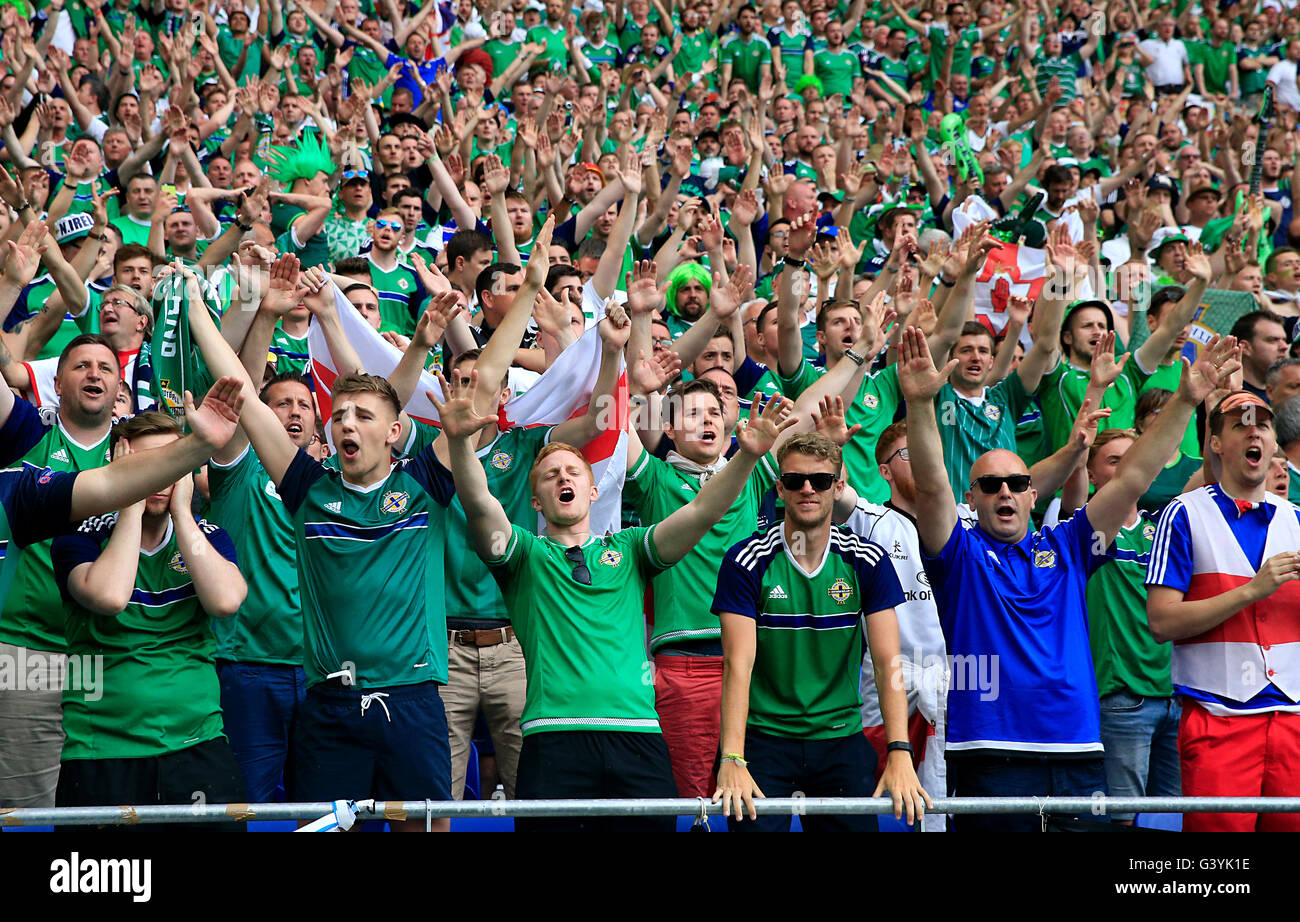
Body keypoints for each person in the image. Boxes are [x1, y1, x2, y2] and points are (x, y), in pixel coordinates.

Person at [899, 324, 1238, 831]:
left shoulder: (1068, 546)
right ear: (972, 498)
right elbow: (929, 486)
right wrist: (922, 405)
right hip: (991, 752)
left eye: (1017, 483)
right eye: (990, 486)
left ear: (1034, 494)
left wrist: (1187, 400)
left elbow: (1131, 478)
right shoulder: (958, 553)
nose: (1005, 493)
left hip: (1078, 748)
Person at [438, 363, 795, 832]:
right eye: (550, 475)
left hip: (638, 736)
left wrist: (745, 458)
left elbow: (704, 510)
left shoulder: (630, 549)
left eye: (573, 471)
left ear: (593, 488)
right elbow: (480, 502)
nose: (563, 477)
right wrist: (461, 444)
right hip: (553, 738)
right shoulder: (523, 555)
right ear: (538, 503)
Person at [711, 431, 929, 831]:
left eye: (821, 481)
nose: (807, 489)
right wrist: (732, 758)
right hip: (764, 740)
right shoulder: (746, 560)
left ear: (839, 486)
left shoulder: (866, 559)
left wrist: (900, 751)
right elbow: (736, 665)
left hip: (840, 737)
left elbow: (886, 662)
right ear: (779, 488)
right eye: (794, 480)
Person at [52, 412, 249, 829]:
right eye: (145, 465)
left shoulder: (206, 536)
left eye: (170, 463)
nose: (159, 477)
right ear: (117, 466)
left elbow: (227, 601)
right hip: (101, 751)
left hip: (196, 745)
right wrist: (128, 505)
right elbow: (109, 596)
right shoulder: (78, 535)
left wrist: (183, 514)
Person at [1147, 390, 1300, 831]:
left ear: (1274, 445)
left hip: (1293, 723)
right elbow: (1161, 622)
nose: (1254, 430)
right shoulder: (1182, 515)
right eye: (1239, 424)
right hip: (1218, 722)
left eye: (1263, 425)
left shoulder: (1297, 519)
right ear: (1214, 444)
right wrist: (1251, 591)